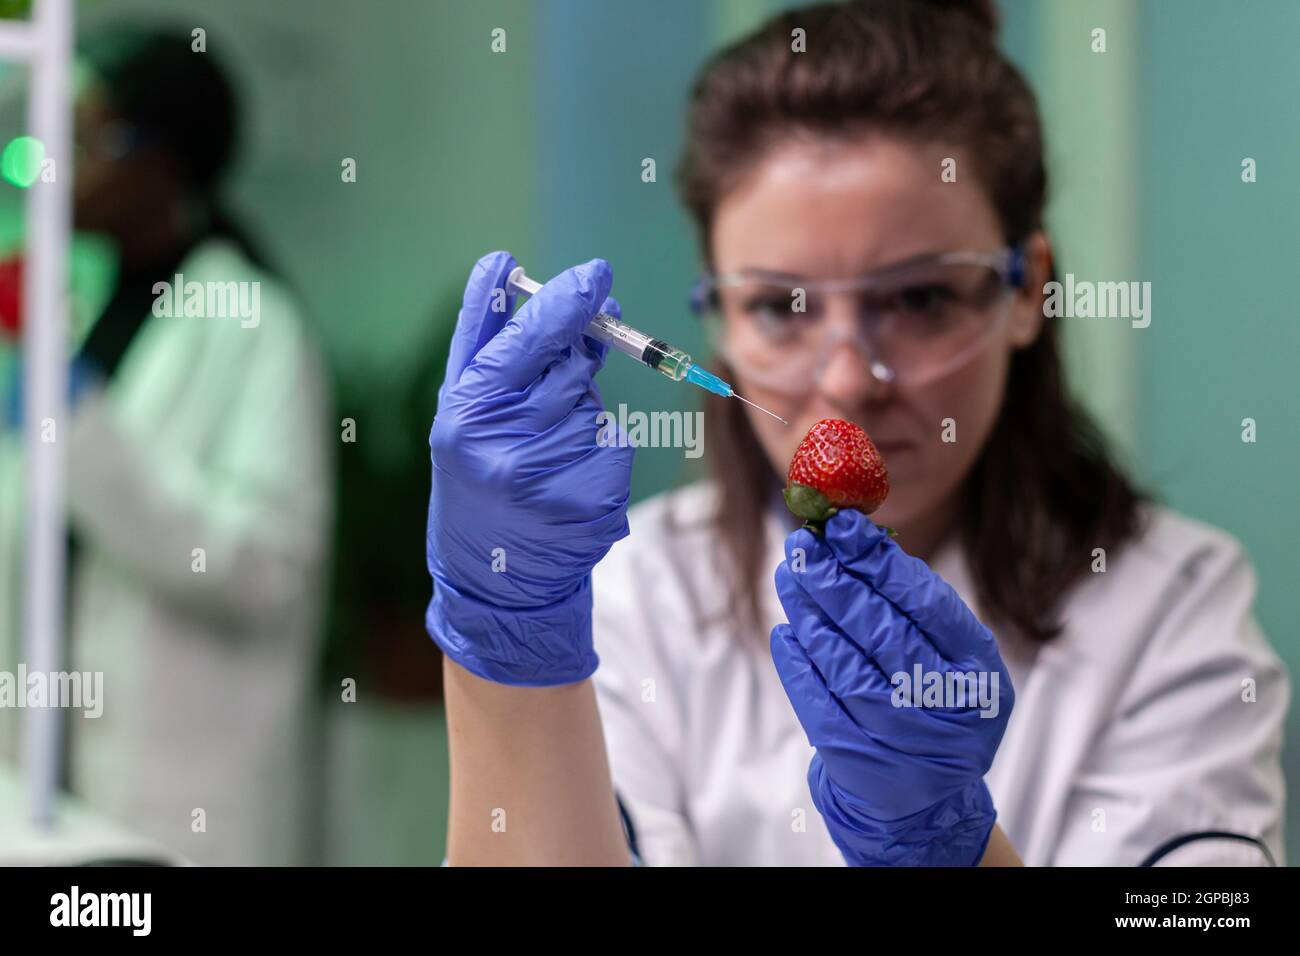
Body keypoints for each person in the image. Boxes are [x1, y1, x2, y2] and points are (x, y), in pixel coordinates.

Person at [426, 0, 1288, 866]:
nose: (844, 380)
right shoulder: (630, 594)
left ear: (1029, 291)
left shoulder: (1172, 611)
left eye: (918, 298)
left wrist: (946, 846)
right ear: (717, 315)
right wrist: (507, 640)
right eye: (777, 306)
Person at [0, 30, 331, 865]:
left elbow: (271, 568)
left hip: (185, 798)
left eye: (87, 140)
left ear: (165, 160)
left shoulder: (256, 328)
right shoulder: (75, 304)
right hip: (52, 771)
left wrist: (82, 436)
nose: (58, 167)